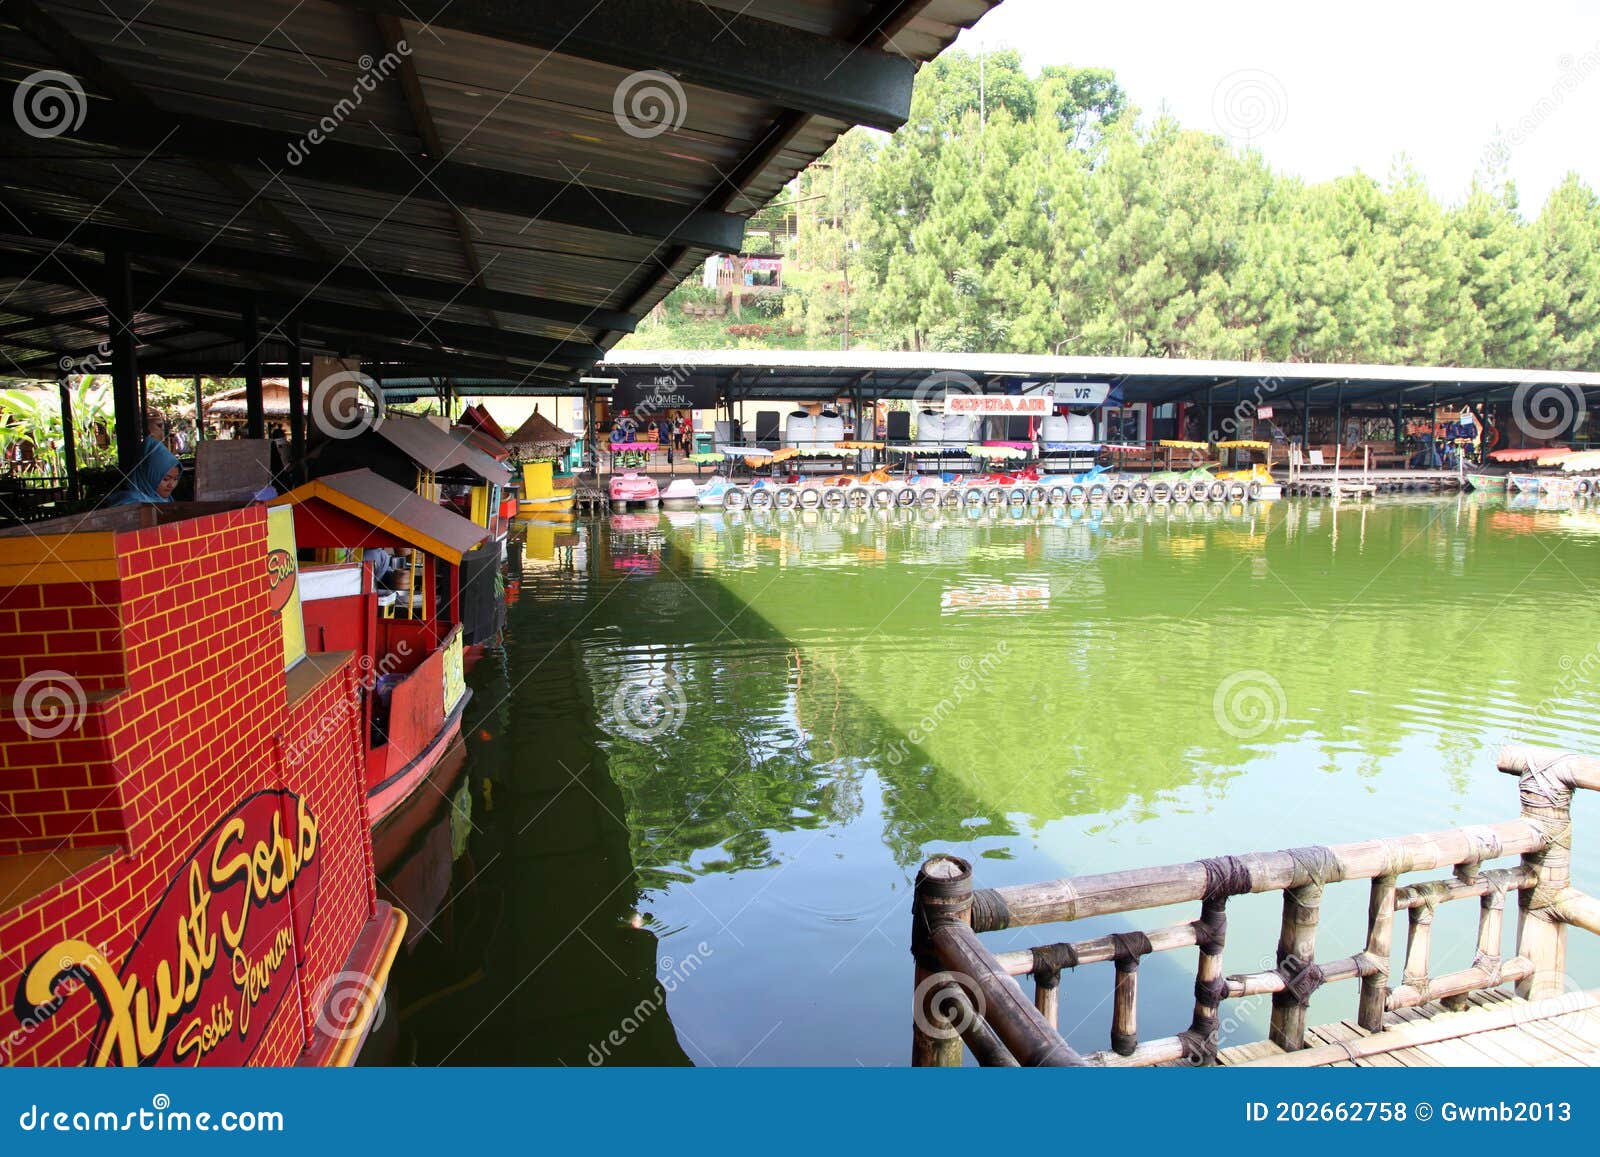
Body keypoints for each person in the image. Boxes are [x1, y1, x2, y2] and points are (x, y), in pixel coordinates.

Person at [108, 436, 180, 505]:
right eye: (165, 479)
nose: (171, 485)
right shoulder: (130, 505)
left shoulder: (167, 500)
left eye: (175, 479)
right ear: (148, 475)